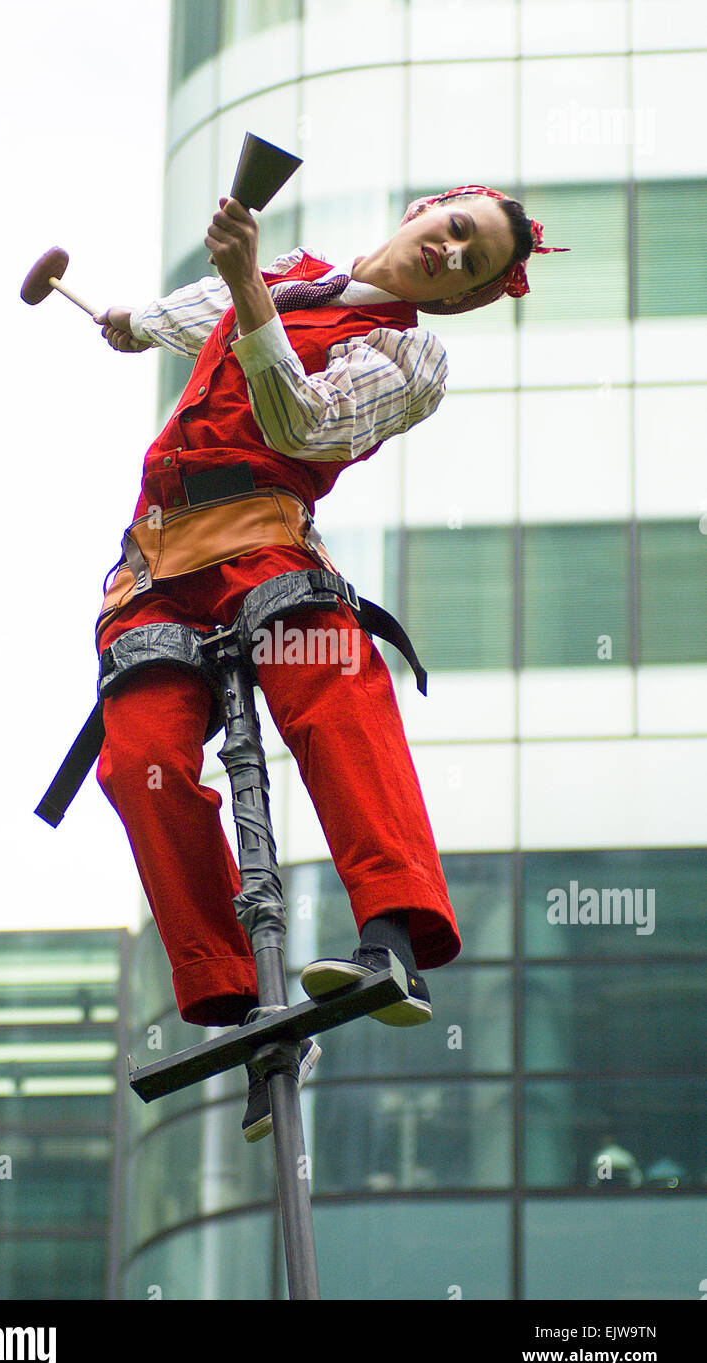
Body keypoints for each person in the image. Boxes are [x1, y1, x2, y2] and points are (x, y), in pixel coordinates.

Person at [91, 184, 567, 1140]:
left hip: (266, 541)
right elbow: (194, 314)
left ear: (466, 298)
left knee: (337, 695)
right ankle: (238, 1000)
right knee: (136, 764)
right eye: (456, 227)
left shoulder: (411, 355)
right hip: (154, 564)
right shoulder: (286, 275)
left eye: (470, 262)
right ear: (428, 209)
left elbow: (304, 425)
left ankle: (391, 939)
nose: (451, 251)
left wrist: (244, 291)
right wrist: (131, 322)